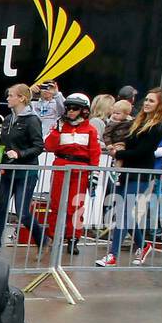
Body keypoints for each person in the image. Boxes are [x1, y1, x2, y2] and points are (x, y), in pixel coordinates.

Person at [98, 87, 162, 266]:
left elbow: (143, 151)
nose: (147, 103)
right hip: (126, 171)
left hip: (140, 173)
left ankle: (112, 254)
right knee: (127, 214)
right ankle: (143, 244)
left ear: (160, 104)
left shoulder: (158, 126)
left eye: (151, 101)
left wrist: (119, 154)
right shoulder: (137, 121)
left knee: (123, 213)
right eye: (146, 100)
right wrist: (116, 148)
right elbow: (127, 142)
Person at [0, 83, 47, 255]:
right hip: (7, 170)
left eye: (11, 95)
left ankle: (41, 238)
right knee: (0, 208)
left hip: (26, 171)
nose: (7, 98)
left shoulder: (32, 120)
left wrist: (20, 154)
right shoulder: (8, 119)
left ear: (21, 98)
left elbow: (38, 146)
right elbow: (2, 143)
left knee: (22, 211)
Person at [43, 92, 101, 255]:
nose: (70, 111)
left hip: (81, 170)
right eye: (68, 108)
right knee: (55, 204)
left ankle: (73, 239)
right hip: (61, 167)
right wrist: (58, 130)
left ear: (84, 111)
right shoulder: (59, 126)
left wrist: (93, 175)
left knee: (76, 207)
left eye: (74, 108)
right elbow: (49, 146)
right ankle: (54, 237)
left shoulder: (91, 130)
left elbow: (95, 154)